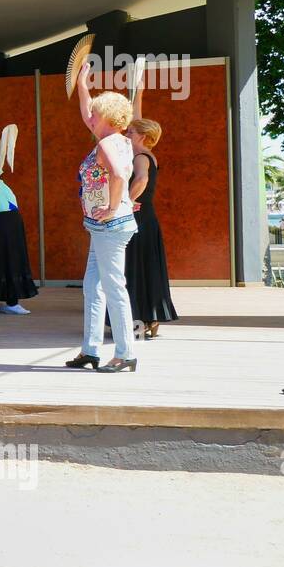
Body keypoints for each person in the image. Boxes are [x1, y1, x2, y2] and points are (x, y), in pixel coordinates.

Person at [66, 64, 138, 373]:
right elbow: (85, 113)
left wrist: (111, 207)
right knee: (93, 286)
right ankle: (90, 350)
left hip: (109, 225)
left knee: (112, 287)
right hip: (103, 227)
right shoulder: (117, 140)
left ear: (107, 118)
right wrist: (82, 85)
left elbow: (119, 174)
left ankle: (125, 353)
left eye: (95, 114)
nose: (89, 118)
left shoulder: (107, 143)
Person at [123, 92, 177, 338]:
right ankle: (148, 320)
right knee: (143, 267)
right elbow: (136, 119)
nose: (126, 133)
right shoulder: (142, 152)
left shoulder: (140, 157)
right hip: (146, 218)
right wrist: (138, 92)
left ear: (142, 137)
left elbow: (142, 179)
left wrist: (126, 201)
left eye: (130, 132)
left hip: (138, 218)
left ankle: (140, 319)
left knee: (134, 267)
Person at [0, 125, 38, 315]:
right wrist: (5, 139)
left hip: (7, 223)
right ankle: (11, 301)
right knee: (9, 259)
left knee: (0, 259)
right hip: (3, 224)